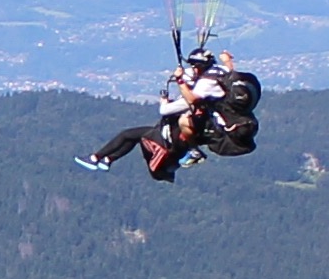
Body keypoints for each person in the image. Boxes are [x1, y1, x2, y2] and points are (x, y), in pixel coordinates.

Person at [80, 44, 258, 179]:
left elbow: (172, 107)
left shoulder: (202, 89)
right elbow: (230, 71)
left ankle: (97, 158)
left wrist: (178, 85)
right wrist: (227, 59)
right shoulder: (219, 73)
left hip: (197, 128)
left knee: (130, 134)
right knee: (131, 136)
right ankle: (105, 159)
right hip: (207, 123)